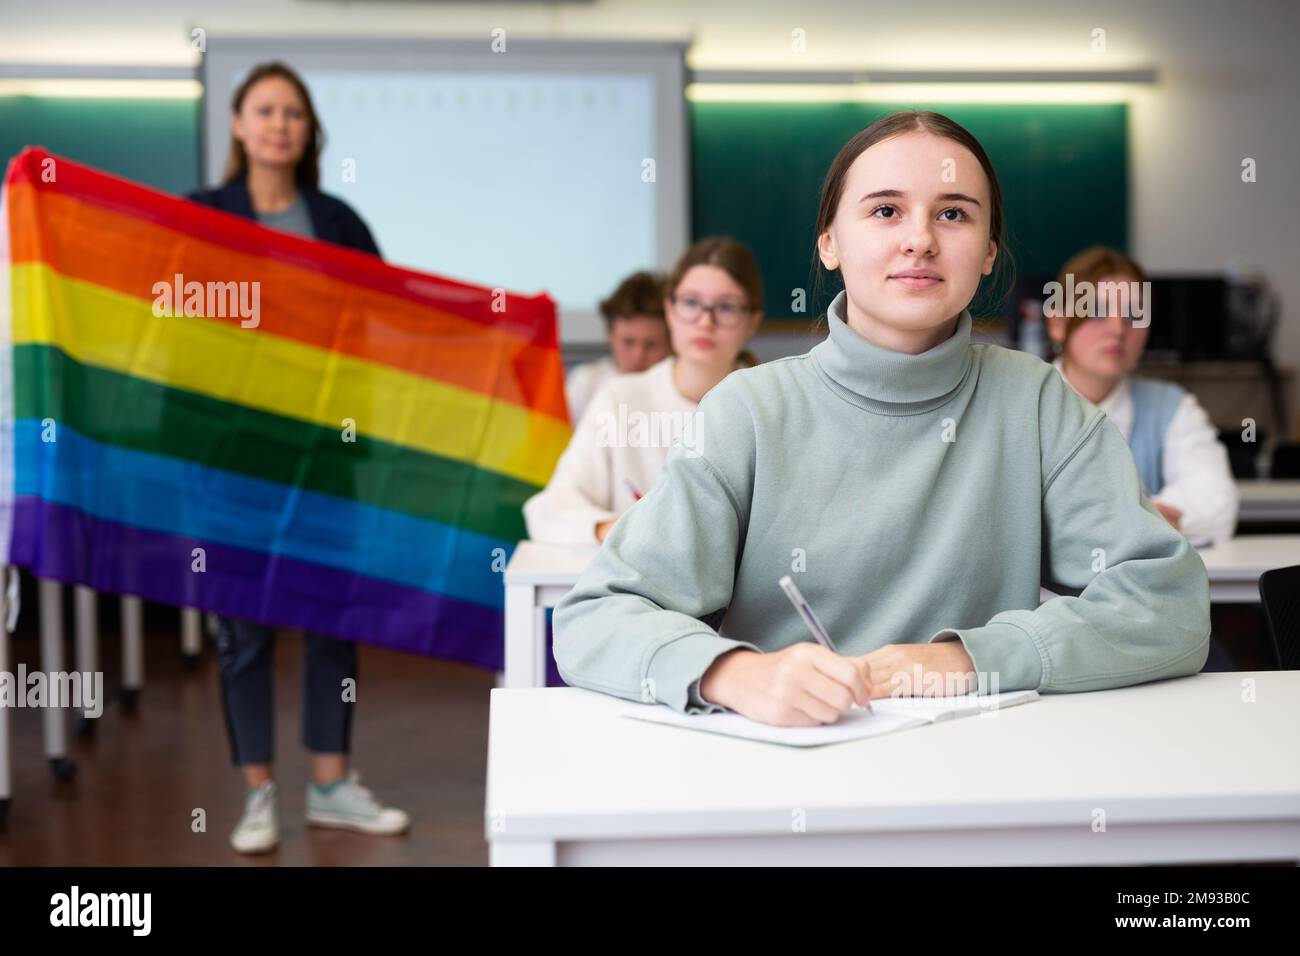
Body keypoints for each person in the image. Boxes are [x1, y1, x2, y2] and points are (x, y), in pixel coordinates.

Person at [553, 111, 1210, 727]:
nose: (919, 239)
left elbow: (1168, 607)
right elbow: (596, 617)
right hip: (787, 773)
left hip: (984, 775)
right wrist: (731, 672)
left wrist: (967, 661)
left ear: (988, 252)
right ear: (831, 242)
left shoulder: (1038, 403)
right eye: (886, 210)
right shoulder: (746, 412)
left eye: (953, 214)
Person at [188, 61, 408, 853]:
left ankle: (330, 785)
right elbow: (168, 321)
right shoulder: (199, 217)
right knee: (241, 630)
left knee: (329, 623)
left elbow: (386, 314)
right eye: (264, 110)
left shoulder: (338, 222)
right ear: (240, 126)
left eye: (293, 112)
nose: (279, 123)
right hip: (233, 460)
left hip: (325, 455)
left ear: (308, 132)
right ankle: (256, 796)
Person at [524, 237, 762, 546]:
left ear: (752, 322)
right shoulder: (620, 398)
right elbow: (549, 510)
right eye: (691, 303)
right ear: (670, 310)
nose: (705, 321)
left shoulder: (772, 405)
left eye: (726, 307)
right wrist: (610, 529)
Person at [1045, 246, 1238, 544]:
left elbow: (1216, 499)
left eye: (1134, 315)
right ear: (1057, 323)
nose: (1118, 330)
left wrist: (1133, 520)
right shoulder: (1022, 403)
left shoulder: (1172, 407)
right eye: (1097, 311)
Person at [566, 271, 670, 422]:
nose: (638, 355)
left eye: (651, 344)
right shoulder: (586, 382)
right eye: (628, 342)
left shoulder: (679, 389)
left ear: (670, 342)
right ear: (610, 335)